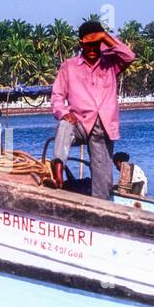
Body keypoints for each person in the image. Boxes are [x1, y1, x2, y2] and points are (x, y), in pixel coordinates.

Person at [49, 20, 136, 198]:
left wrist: (104, 36)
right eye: (88, 45)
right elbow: (57, 96)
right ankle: (57, 166)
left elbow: (129, 56)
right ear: (81, 43)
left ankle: (101, 214)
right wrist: (64, 113)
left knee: (103, 182)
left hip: (103, 128)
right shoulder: (69, 66)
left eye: (95, 44)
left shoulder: (111, 63)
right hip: (79, 123)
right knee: (64, 126)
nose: (92, 49)